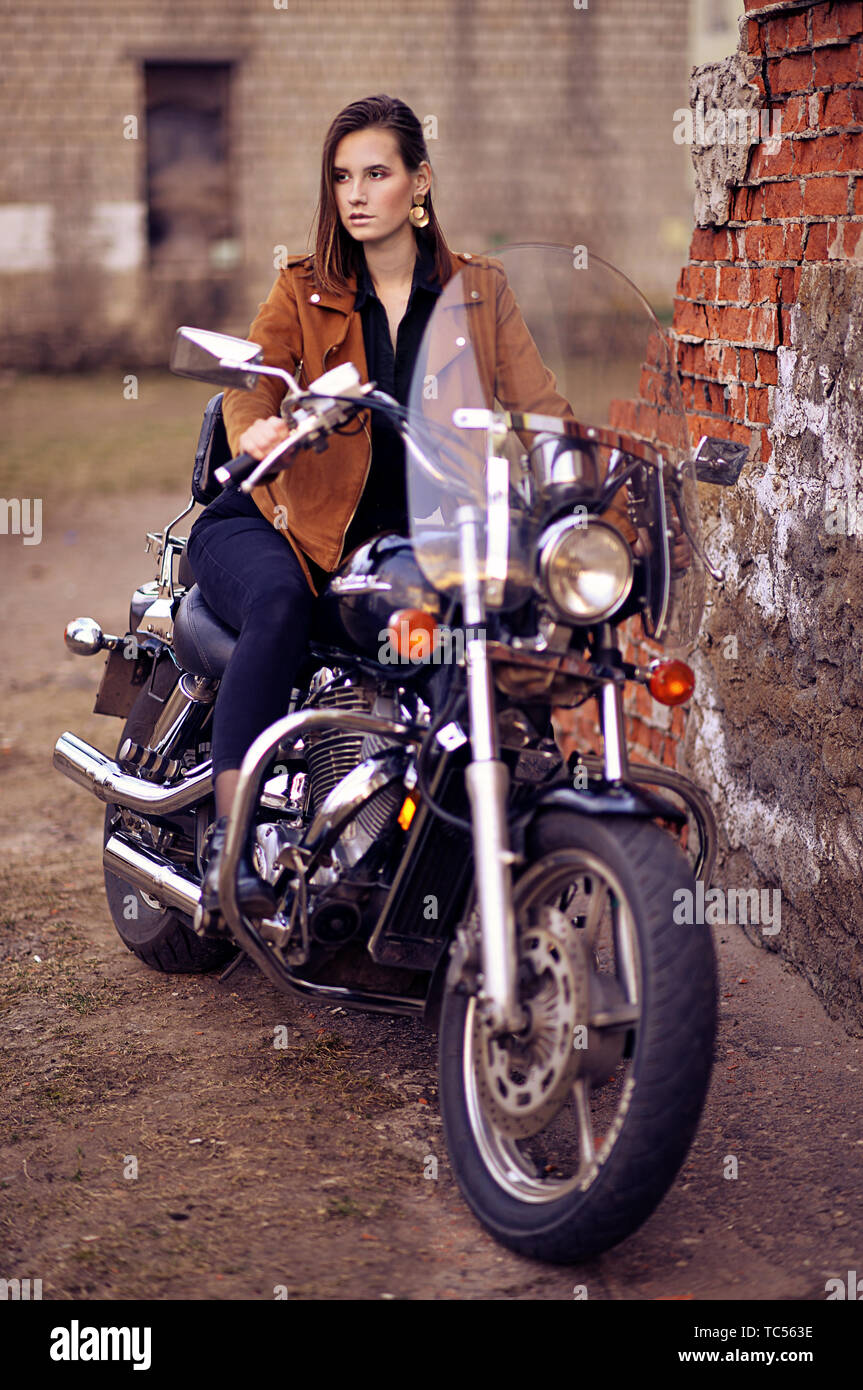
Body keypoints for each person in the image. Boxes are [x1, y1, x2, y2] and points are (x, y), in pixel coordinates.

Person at [186, 93, 634, 919]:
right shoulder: (303, 290)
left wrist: (597, 495)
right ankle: (229, 835)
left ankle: (414, 862)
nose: (356, 194)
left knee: (470, 645)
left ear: (418, 181)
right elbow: (253, 383)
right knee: (281, 608)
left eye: (377, 173)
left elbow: (540, 409)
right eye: (342, 177)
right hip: (279, 529)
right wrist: (257, 432)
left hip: (400, 553)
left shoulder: (479, 295)